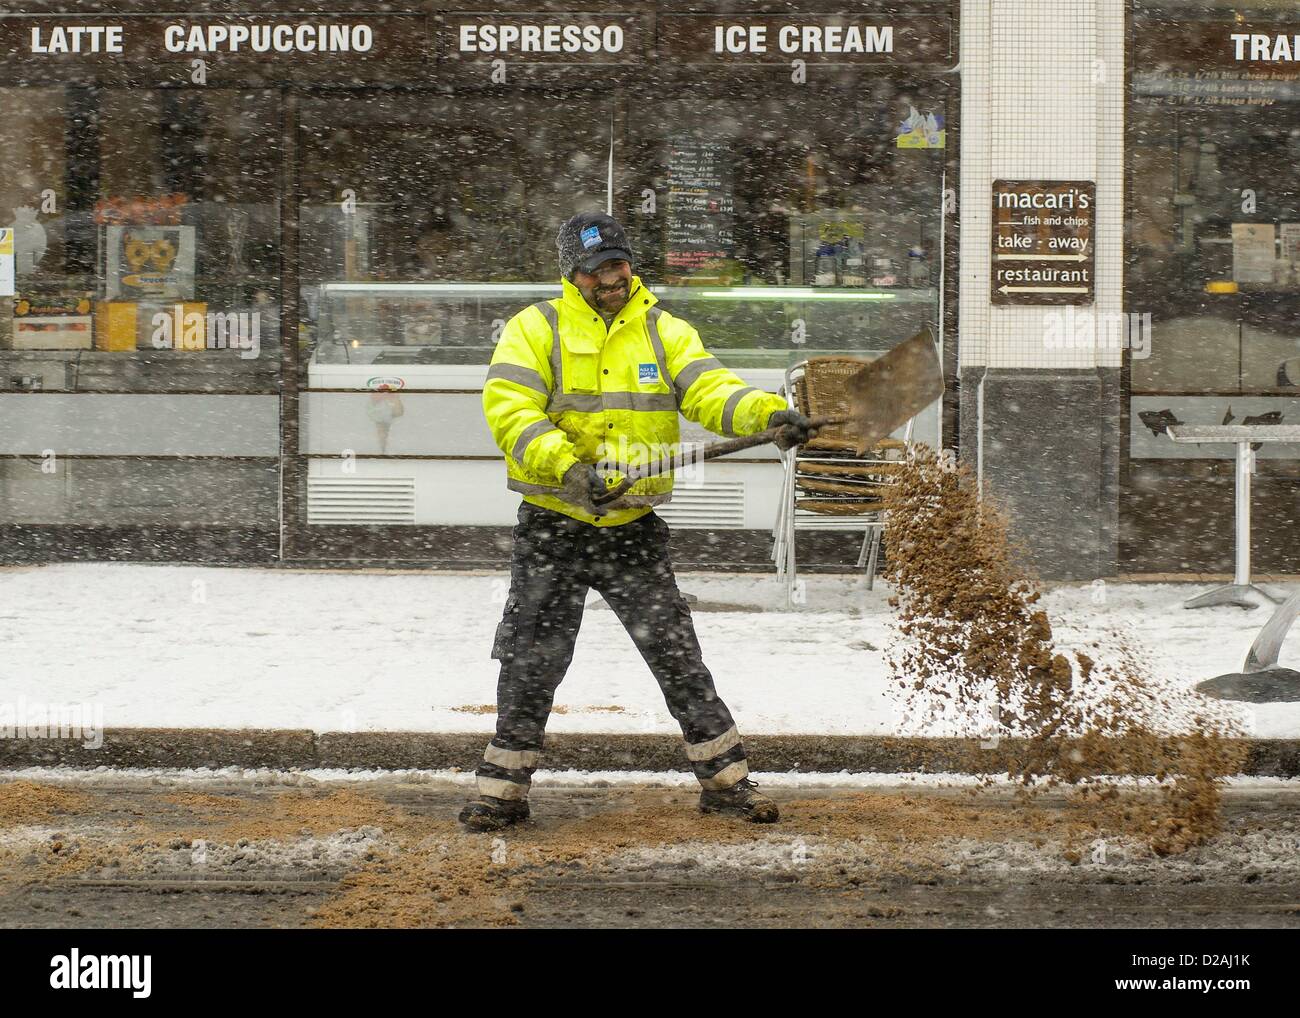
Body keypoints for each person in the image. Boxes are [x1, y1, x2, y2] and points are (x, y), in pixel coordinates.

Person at [460, 211, 815, 832]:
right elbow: (509, 412)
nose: (611, 278)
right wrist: (568, 468)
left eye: (618, 264)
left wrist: (769, 413)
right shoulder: (534, 329)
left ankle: (728, 785)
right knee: (531, 659)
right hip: (555, 523)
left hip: (632, 528)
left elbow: (712, 390)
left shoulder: (663, 331)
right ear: (572, 273)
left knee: (676, 656)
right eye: (597, 269)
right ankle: (503, 793)